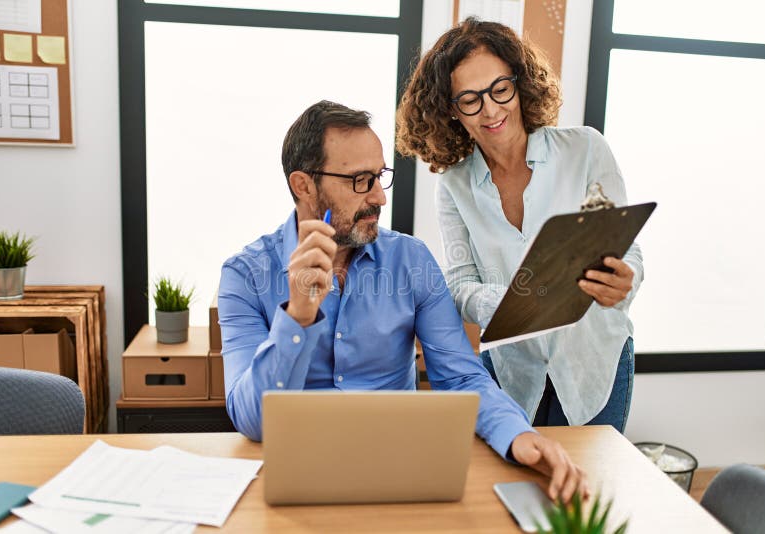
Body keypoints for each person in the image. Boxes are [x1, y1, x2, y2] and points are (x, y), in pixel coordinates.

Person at [218, 100, 587, 502]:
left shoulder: (411, 261)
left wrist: (518, 436)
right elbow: (253, 421)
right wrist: (298, 314)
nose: (379, 197)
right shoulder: (245, 275)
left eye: (380, 177)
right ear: (303, 185)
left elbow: (460, 377)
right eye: (360, 180)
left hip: (397, 470)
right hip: (295, 476)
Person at [395, 18, 643, 433]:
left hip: (594, 363)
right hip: (511, 369)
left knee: (582, 494)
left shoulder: (585, 149)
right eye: (470, 99)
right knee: (511, 487)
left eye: (499, 89)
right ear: (451, 111)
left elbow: (626, 247)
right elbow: (459, 285)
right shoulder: (454, 185)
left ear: (520, 83)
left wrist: (626, 280)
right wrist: (516, 303)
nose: (491, 110)